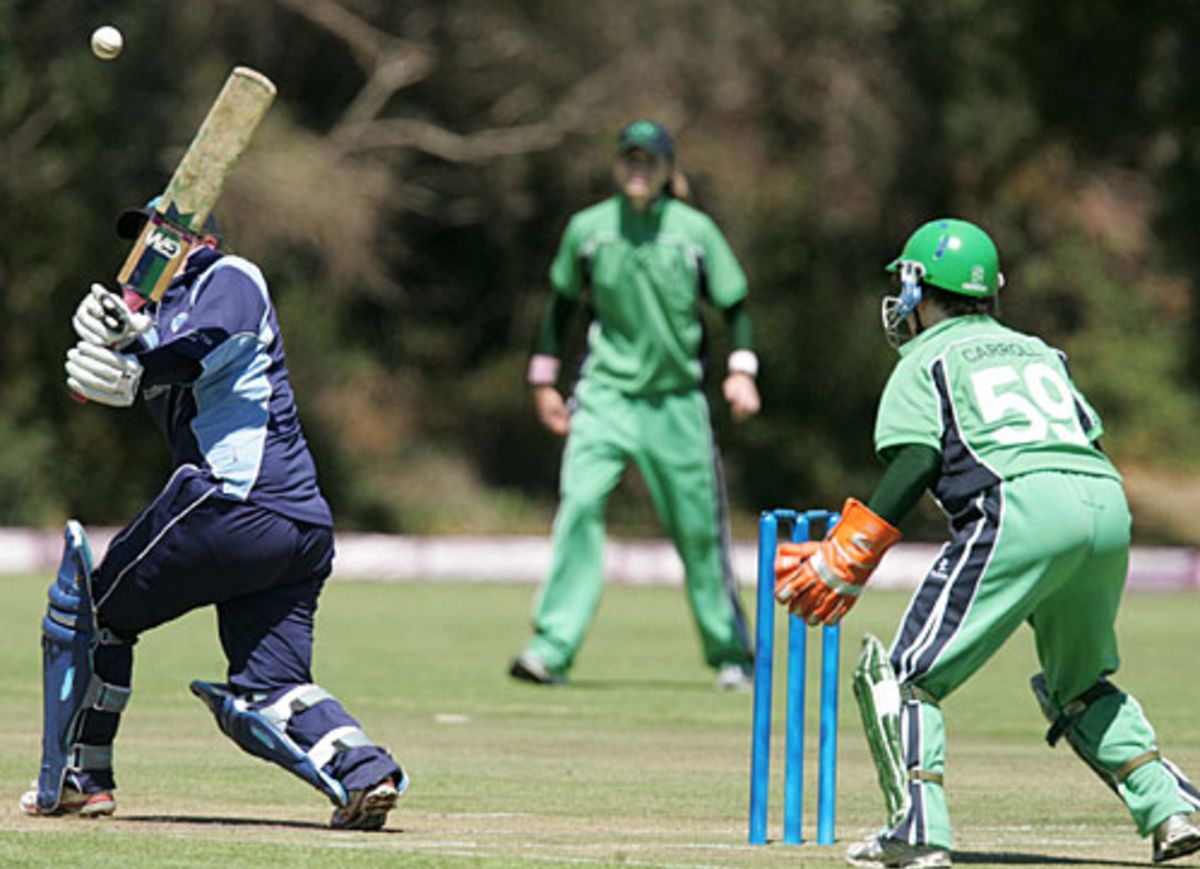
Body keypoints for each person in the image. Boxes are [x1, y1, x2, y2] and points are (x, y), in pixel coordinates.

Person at [773, 218, 1200, 867]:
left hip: (1020, 505)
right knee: (1079, 681)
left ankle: (917, 828)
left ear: (916, 287)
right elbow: (1082, 436)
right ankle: (1171, 805)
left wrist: (848, 551)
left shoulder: (926, 357)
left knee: (905, 676)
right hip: (1104, 503)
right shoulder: (1037, 349)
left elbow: (917, 458)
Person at [20, 200, 406, 830]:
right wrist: (115, 340)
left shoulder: (229, 277)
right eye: (139, 238)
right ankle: (365, 772)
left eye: (158, 236)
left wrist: (137, 360)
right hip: (296, 526)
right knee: (270, 686)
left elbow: (202, 347)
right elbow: (120, 369)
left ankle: (77, 778)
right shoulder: (160, 316)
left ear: (197, 240)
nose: (144, 249)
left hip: (233, 499)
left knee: (89, 617)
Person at [509, 120, 761, 689]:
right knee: (579, 505)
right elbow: (561, 306)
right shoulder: (590, 229)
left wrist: (741, 371)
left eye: (650, 160)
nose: (639, 169)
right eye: (630, 158)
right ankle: (551, 648)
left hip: (675, 402)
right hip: (604, 396)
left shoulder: (693, 230)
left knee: (699, 531)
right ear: (617, 164)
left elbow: (735, 303)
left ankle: (731, 654)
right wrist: (544, 383)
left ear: (669, 168)